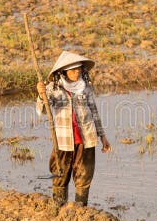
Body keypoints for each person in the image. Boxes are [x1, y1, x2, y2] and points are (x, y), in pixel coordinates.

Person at [36, 51, 111, 207]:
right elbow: (42, 111)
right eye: (72, 70)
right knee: (60, 175)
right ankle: (58, 207)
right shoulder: (53, 88)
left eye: (78, 69)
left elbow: (94, 111)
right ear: (64, 72)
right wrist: (40, 94)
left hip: (86, 139)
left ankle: (80, 209)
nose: (76, 73)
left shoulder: (85, 87)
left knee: (84, 176)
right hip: (63, 141)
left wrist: (102, 136)